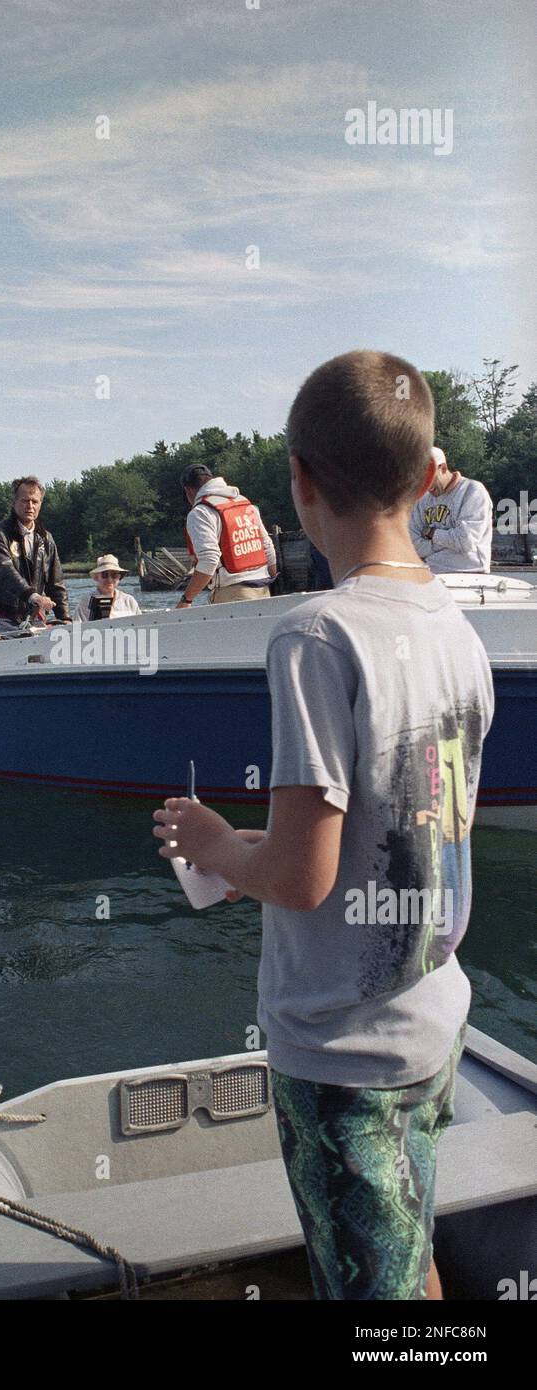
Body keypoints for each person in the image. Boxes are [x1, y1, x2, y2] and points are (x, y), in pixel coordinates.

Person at [153, 350, 494, 1301]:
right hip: (435, 1017)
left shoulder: (314, 637)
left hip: (342, 1056)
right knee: (402, 1245)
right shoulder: (457, 632)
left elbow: (304, 875)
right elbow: (424, 826)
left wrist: (216, 848)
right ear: (430, 480)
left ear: (299, 483)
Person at [177, 465, 277, 608]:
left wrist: (186, 600)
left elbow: (209, 560)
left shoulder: (201, 512)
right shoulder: (245, 504)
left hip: (232, 596)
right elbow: (268, 548)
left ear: (188, 490)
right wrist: (273, 585)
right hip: (263, 591)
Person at [0, 476, 69, 633]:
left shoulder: (46, 538)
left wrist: (65, 618)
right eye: (24, 500)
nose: (30, 506)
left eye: (35, 502)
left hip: (33, 617)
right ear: (13, 503)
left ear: (40, 505)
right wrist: (33, 596)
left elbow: (56, 583)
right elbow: (3, 570)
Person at [408, 446, 493, 573]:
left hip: (470, 575)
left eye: (429, 478)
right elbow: (413, 544)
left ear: (443, 468)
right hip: (430, 574)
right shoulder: (422, 499)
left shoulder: (472, 491)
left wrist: (431, 533)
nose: (426, 486)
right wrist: (448, 542)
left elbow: (465, 541)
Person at [74, 555, 141, 621]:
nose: (109, 580)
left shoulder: (129, 601)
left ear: (119, 577)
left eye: (114, 575)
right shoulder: (86, 601)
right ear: (97, 577)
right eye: (105, 575)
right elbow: (77, 628)